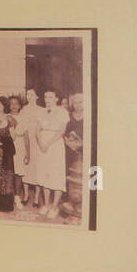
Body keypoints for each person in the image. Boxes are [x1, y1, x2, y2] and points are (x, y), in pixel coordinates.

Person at [33, 89, 70, 219]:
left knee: (56, 174)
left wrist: (47, 144)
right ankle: (46, 204)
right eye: (46, 97)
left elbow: (61, 131)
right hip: (41, 145)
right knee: (44, 173)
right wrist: (41, 143)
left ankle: (55, 207)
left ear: (56, 99)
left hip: (55, 145)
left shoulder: (62, 112)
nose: (48, 100)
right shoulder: (41, 112)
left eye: (50, 97)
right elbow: (37, 130)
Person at [60, 92, 86, 220]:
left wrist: (81, 144)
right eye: (75, 102)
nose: (78, 104)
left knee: (91, 176)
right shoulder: (68, 116)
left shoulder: (90, 116)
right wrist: (70, 143)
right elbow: (64, 133)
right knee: (68, 176)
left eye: (81, 101)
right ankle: (69, 202)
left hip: (85, 151)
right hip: (70, 150)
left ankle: (87, 204)